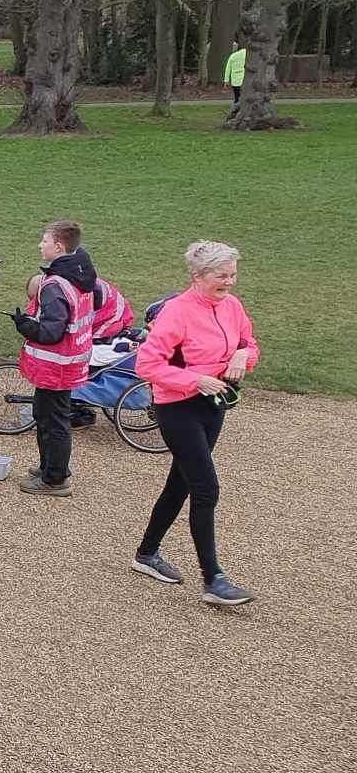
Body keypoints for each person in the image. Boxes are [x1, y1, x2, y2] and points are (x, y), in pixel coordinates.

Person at [132, 241, 258, 606]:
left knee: (181, 483)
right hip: (178, 407)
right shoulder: (177, 312)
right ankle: (213, 579)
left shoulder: (232, 306)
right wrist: (195, 379)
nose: (230, 282)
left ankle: (146, 554)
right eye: (221, 276)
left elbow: (250, 343)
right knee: (206, 487)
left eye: (233, 274)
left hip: (213, 406)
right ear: (197, 276)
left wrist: (241, 354)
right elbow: (147, 366)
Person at [10, 220, 97, 498]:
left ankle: (55, 478)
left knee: (53, 421)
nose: (40, 245)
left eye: (44, 241)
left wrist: (24, 324)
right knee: (47, 416)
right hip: (69, 361)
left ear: (58, 246)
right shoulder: (80, 274)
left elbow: (51, 331)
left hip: (55, 365)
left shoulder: (54, 285)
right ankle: (49, 467)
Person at [223, 39, 247, 107]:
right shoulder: (246, 53)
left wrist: (226, 81)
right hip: (244, 79)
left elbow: (228, 69)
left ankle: (236, 109)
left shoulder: (232, 56)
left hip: (235, 81)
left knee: (237, 97)